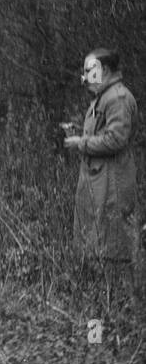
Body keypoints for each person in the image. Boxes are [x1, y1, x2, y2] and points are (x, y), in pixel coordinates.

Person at [64, 48, 140, 293]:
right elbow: (107, 134)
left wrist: (81, 143)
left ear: (105, 71)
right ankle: (101, 301)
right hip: (99, 182)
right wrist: (81, 133)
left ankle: (118, 306)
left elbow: (116, 139)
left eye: (89, 70)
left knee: (113, 244)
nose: (84, 77)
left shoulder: (117, 98)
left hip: (112, 184)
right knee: (98, 241)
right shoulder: (104, 98)